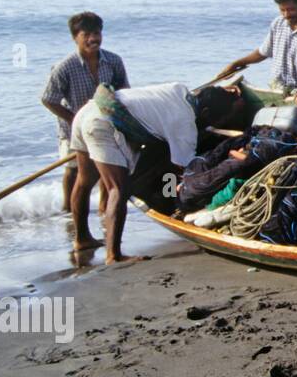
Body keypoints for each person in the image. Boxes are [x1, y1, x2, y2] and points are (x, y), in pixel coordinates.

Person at [69, 84, 247, 262]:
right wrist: (172, 195)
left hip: (88, 110)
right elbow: (182, 168)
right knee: (118, 189)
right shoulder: (185, 124)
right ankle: (114, 255)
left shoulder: (180, 90)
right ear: (206, 113)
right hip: (104, 122)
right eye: (215, 119)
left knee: (84, 181)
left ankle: (82, 239)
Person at [41, 12, 129, 223]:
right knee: (74, 171)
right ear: (75, 37)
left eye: (97, 33)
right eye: (86, 34)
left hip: (105, 126)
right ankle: (69, 213)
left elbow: (124, 91)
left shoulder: (113, 61)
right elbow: (48, 99)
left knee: (105, 165)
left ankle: (103, 210)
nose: (93, 39)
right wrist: (75, 119)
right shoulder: (64, 67)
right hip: (73, 129)